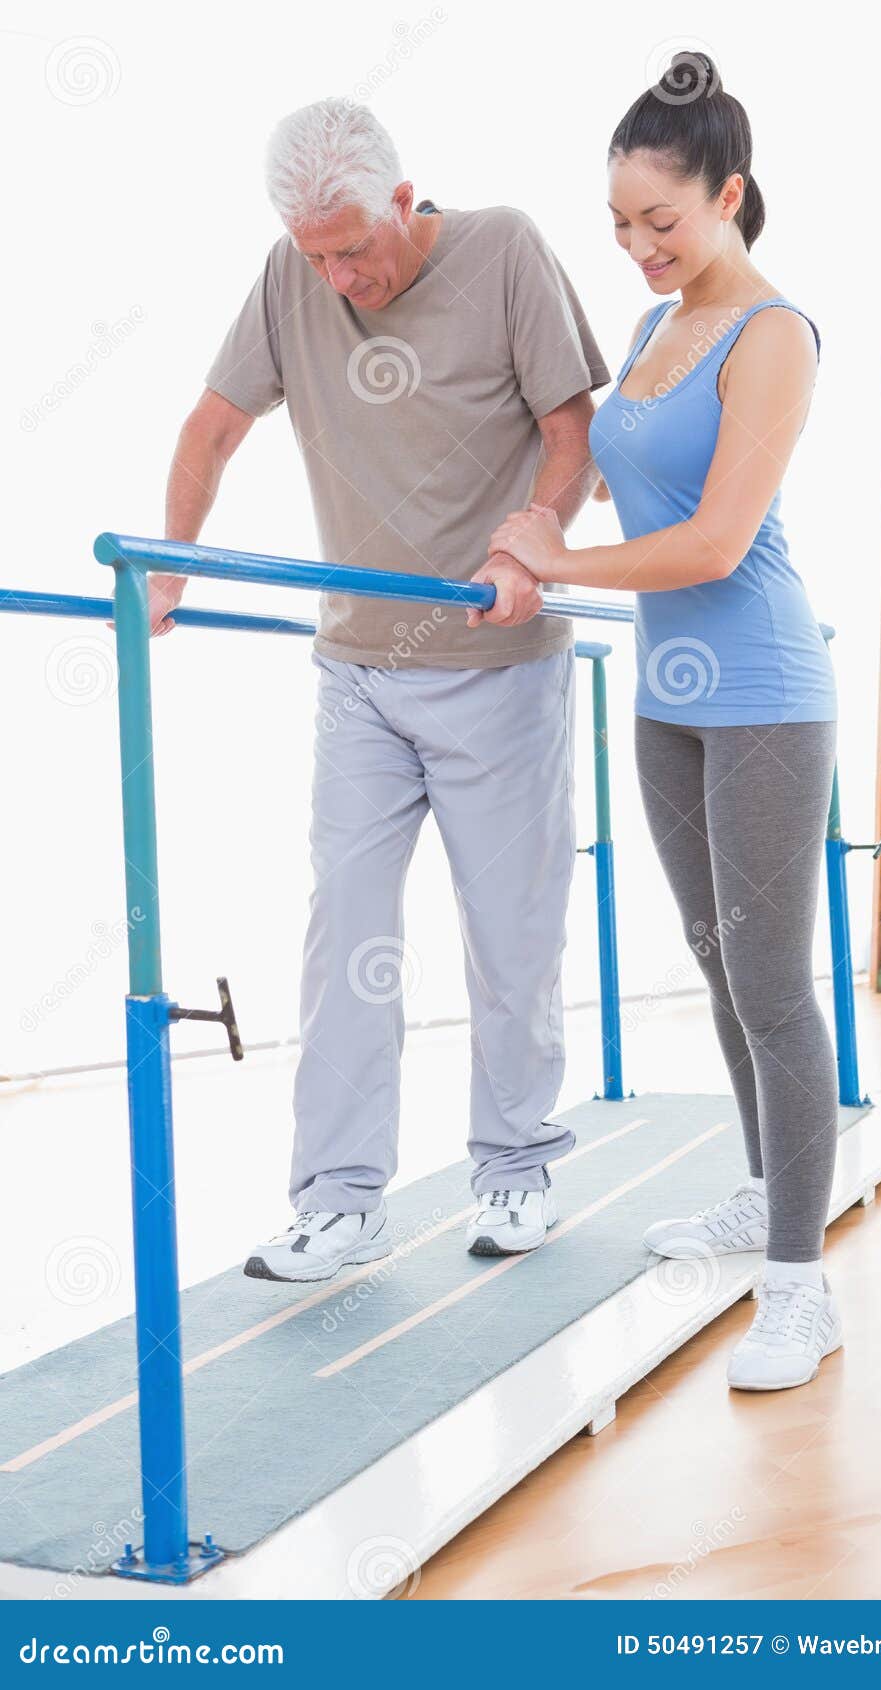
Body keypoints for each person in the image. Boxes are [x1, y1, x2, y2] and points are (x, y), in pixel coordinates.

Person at [157, 99, 608, 1281]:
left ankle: (514, 1169)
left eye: (353, 247)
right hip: (356, 672)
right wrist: (171, 557)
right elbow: (210, 430)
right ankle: (340, 1199)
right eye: (315, 255)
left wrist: (524, 548)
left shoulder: (503, 249)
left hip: (497, 667)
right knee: (345, 932)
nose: (337, 275)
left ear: (405, 202)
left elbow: (572, 435)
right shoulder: (289, 274)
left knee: (510, 940)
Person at [487, 51, 841, 1391]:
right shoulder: (650, 331)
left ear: (729, 196)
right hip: (665, 698)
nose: (636, 249)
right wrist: (532, 540)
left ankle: (801, 1290)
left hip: (756, 690)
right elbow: (606, 490)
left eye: (661, 223)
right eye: (619, 227)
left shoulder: (772, 335)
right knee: (713, 964)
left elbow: (708, 543)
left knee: (770, 987)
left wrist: (549, 565)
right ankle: (763, 1197)